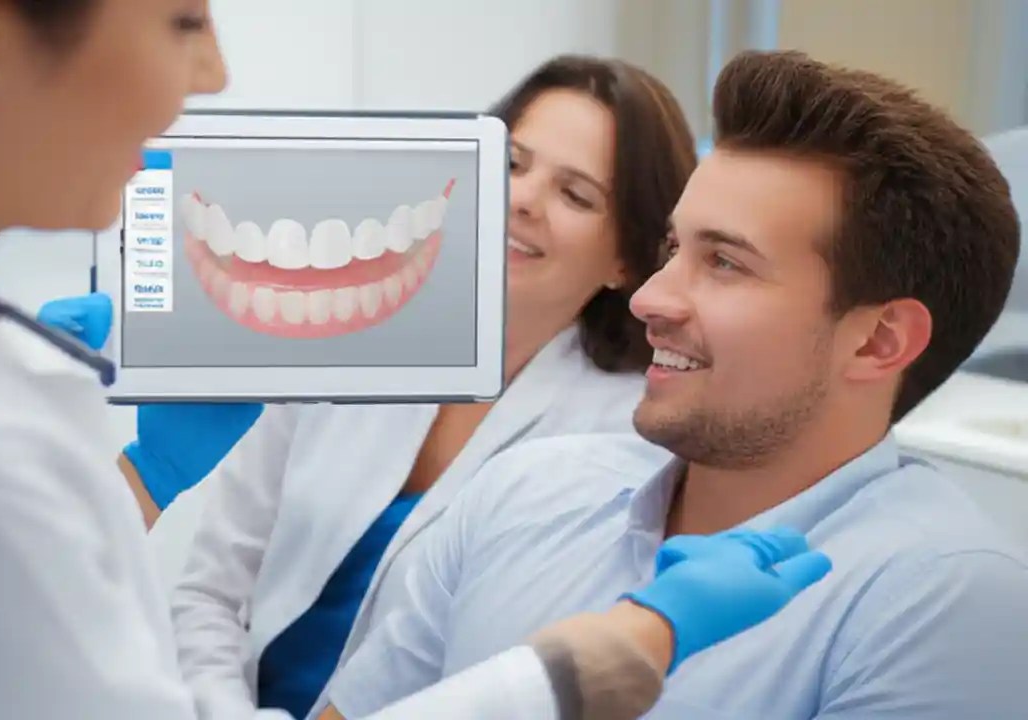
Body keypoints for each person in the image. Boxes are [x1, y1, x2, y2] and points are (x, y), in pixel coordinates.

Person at [0, 3, 832, 719]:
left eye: (575, 193)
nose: (212, 69)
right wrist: (566, 675)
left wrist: (131, 481)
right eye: (180, 17)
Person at [318, 50, 1028, 720]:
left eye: (724, 263)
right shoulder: (523, 491)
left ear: (878, 341)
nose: (648, 299)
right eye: (672, 249)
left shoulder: (946, 602)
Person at [39, 54, 701, 720]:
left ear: (625, 257)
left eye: (576, 194)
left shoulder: (622, 441)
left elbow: (515, 675)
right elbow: (211, 594)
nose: (524, 198)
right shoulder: (339, 330)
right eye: (511, 164)